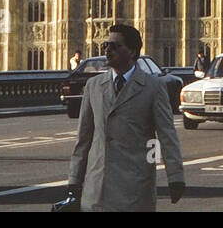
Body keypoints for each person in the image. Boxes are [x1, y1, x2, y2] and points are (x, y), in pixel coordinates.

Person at [53, 23, 185, 212]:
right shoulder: (94, 86)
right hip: (97, 188)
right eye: (106, 45)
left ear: (132, 51)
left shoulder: (153, 87)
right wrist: (74, 180)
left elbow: (167, 135)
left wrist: (176, 177)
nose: (108, 50)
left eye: (114, 46)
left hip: (134, 188)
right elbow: (84, 139)